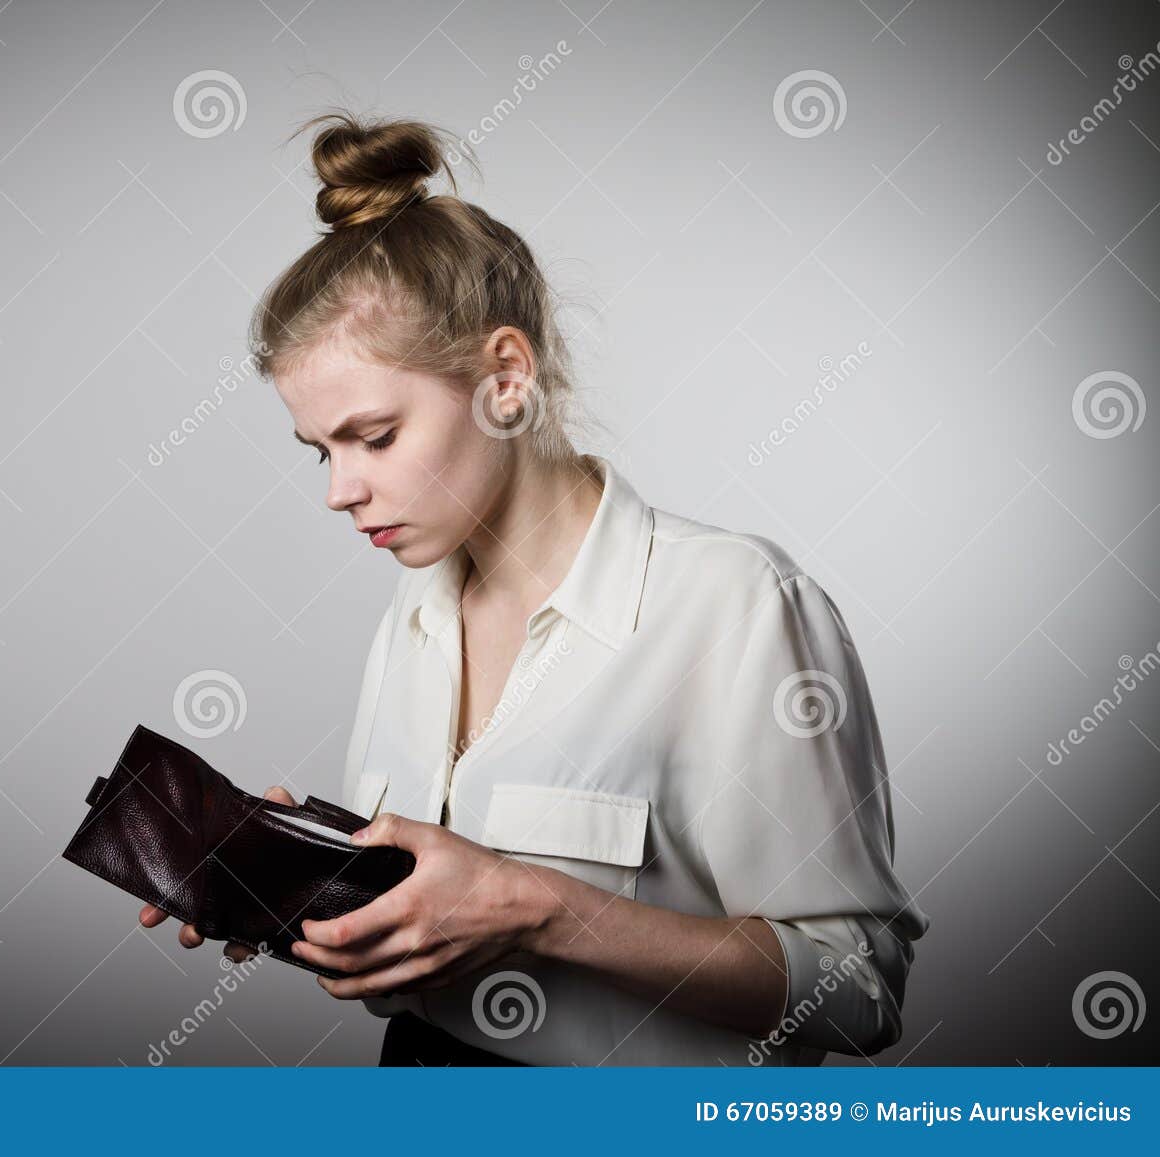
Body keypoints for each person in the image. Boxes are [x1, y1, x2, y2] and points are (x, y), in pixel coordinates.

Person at [140, 110, 930, 1066]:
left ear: (504, 378)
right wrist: (312, 882)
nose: (339, 490)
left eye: (375, 437)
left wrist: (542, 908)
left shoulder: (736, 603)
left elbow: (859, 986)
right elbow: (433, 927)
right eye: (320, 449)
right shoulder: (415, 614)